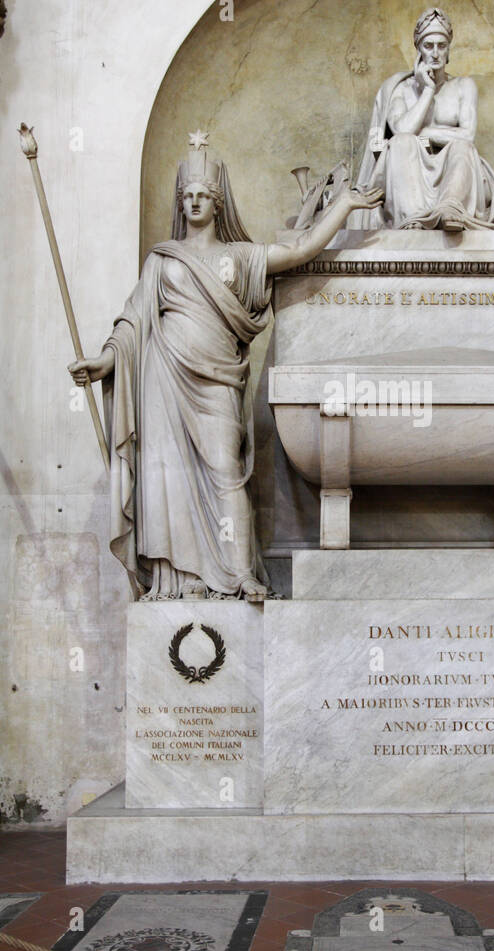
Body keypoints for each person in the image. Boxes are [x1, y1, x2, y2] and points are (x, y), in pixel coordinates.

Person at [69, 135, 382, 602]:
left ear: (217, 203)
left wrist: (345, 207)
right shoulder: (163, 258)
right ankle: (178, 578)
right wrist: (103, 361)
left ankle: (239, 573)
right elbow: (133, 323)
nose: (194, 203)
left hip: (216, 381)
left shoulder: (238, 257)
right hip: (164, 380)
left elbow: (299, 253)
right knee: (165, 473)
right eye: (187, 196)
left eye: (203, 196)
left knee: (224, 470)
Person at [353, 7, 494, 231]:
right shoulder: (401, 89)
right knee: (402, 143)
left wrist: (425, 134)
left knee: (462, 147)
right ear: (419, 50)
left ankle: (450, 209)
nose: (435, 53)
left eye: (441, 46)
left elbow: (467, 135)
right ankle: (413, 218)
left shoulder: (463, 86)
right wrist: (428, 91)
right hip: (410, 169)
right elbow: (402, 130)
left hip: (454, 165)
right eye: (428, 45)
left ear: (448, 50)